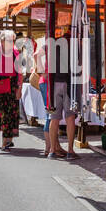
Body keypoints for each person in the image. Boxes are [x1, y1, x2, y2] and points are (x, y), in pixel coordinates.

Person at [41, 27, 78, 160]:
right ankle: (70, 150)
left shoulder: (53, 43)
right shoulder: (73, 43)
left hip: (54, 83)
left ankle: (51, 150)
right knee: (70, 118)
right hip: (68, 83)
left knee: (54, 118)